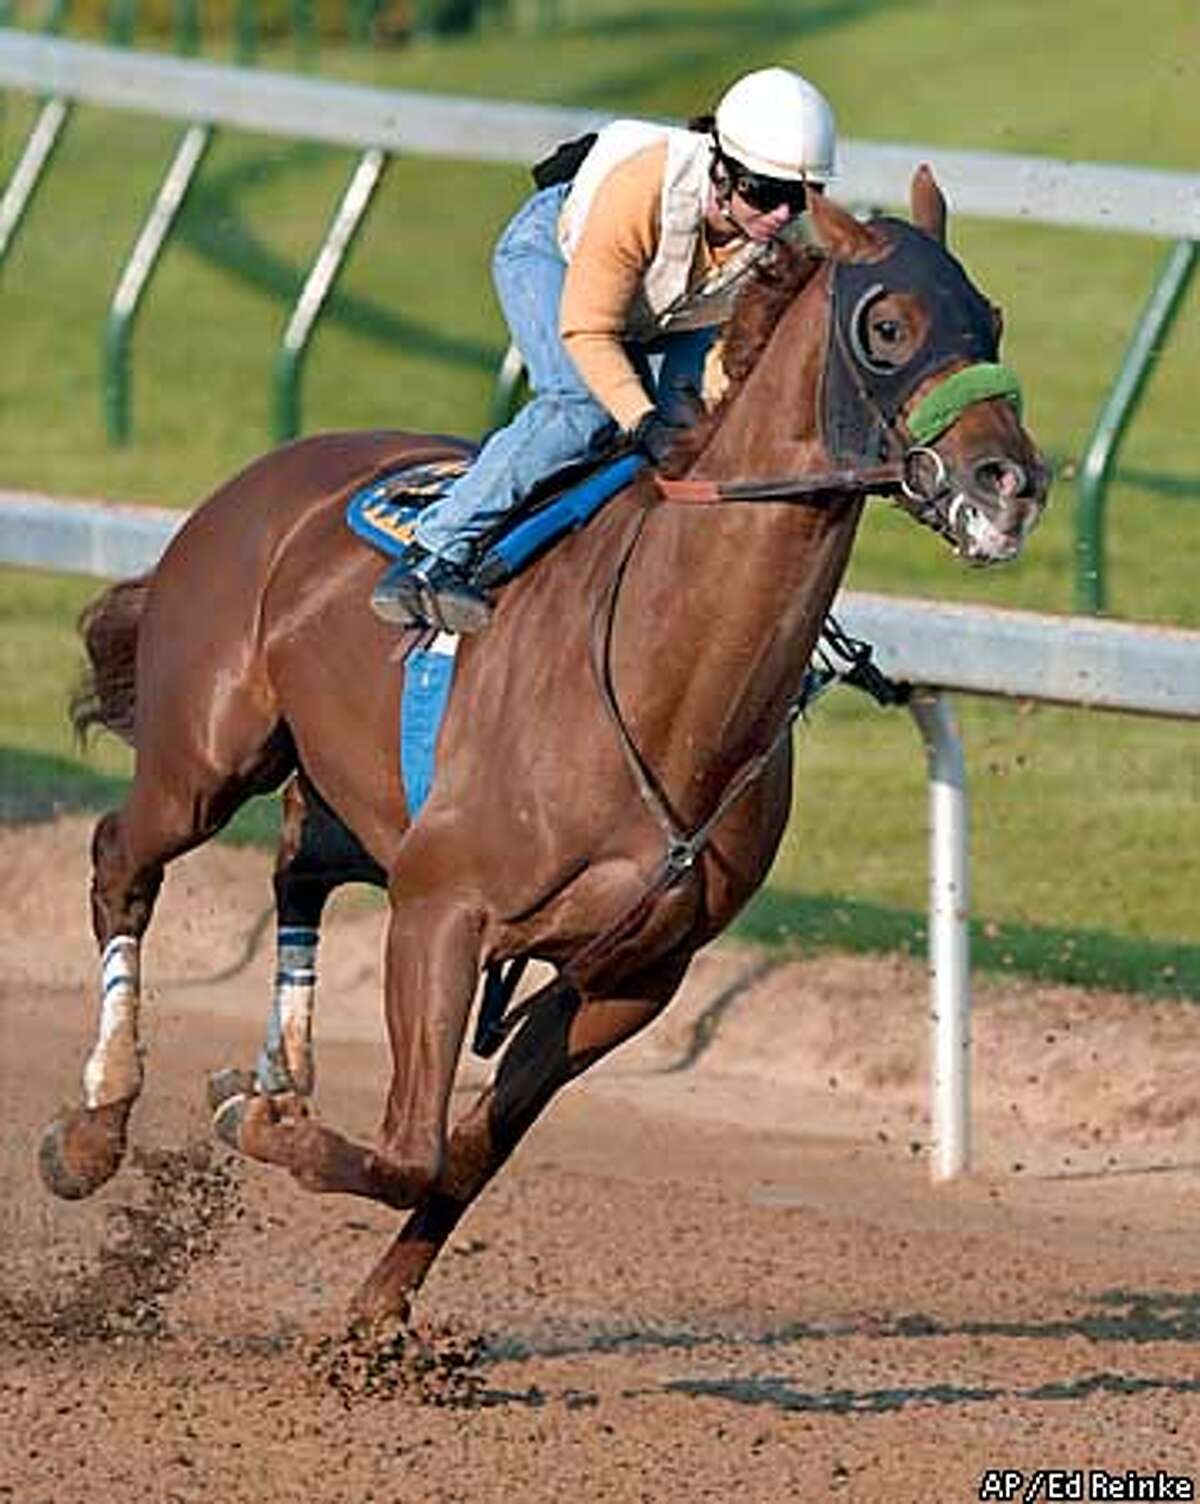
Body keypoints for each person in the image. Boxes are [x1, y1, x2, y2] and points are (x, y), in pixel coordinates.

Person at [372, 65, 838, 633]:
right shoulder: (644, 188)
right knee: (582, 407)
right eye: (764, 195)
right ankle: (433, 552)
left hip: (668, 306)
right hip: (554, 259)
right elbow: (590, 332)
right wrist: (640, 419)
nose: (781, 217)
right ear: (720, 169)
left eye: (799, 201)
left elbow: (732, 361)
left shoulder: (777, 244)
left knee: (692, 437)